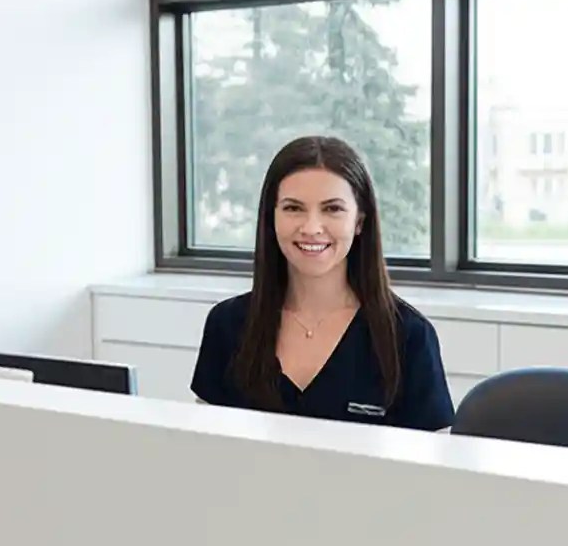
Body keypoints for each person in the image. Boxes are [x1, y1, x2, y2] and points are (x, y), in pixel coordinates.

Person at [190, 136, 454, 431]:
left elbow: (435, 467)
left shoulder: (408, 337)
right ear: (271, 218)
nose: (312, 228)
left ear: (359, 222)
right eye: (293, 208)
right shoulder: (227, 325)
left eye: (332, 209)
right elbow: (207, 450)